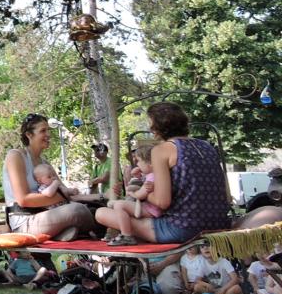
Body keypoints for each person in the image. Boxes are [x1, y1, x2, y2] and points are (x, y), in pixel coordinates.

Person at [95, 102, 231, 244]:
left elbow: (162, 202)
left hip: (183, 228)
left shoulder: (162, 150)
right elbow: (226, 196)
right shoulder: (207, 146)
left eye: (151, 123)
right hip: (220, 224)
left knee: (102, 213)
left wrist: (140, 192)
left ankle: (128, 238)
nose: (150, 128)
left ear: (159, 125)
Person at [2, 113, 95, 241]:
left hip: (47, 215)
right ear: (29, 135)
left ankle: (64, 232)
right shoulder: (16, 156)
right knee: (77, 210)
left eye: (48, 130)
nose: (48, 135)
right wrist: (60, 197)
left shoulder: (45, 164)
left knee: (97, 208)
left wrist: (102, 197)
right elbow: (24, 200)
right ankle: (74, 230)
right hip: (24, 222)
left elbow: (67, 192)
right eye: (43, 131)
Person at [103, 144, 164, 246]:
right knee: (119, 205)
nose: (137, 164)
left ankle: (126, 235)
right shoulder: (151, 175)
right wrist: (138, 176)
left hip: (151, 209)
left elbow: (141, 194)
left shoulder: (153, 176)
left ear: (150, 164)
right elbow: (141, 184)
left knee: (119, 205)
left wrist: (131, 192)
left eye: (139, 161)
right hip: (148, 206)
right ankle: (116, 231)